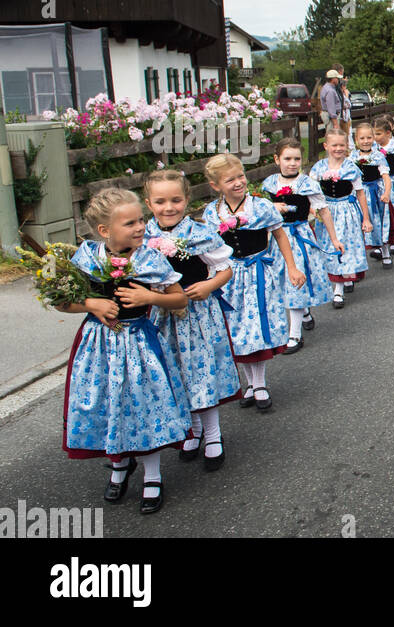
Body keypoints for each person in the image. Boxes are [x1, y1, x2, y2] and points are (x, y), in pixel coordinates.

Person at [59, 188, 191, 514]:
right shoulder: (87, 257)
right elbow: (61, 301)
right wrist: (90, 303)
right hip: (98, 347)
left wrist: (151, 299)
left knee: (145, 406)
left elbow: (180, 299)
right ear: (105, 231)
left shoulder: (149, 258)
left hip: (139, 343)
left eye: (141, 220)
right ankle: (120, 463)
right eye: (130, 222)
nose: (140, 227)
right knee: (110, 405)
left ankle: (152, 474)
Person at [142, 171, 241, 470]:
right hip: (161, 314)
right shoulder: (143, 236)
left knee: (200, 373)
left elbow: (226, 268)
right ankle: (193, 428)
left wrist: (209, 286)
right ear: (149, 203)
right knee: (176, 373)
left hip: (197, 314)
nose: (168, 207)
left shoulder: (200, 234)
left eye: (176, 200)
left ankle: (212, 433)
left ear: (187, 200)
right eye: (160, 201)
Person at [203, 154, 306, 411]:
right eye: (230, 179)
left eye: (240, 176)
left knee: (255, 330)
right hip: (228, 277)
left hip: (257, 273)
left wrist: (292, 267)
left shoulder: (260, 207)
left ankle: (259, 384)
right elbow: (209, 247)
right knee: (237, 331)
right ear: (216, 185)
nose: (239, 182)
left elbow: (280, 236)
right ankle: (250, 384)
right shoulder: (212, 212)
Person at [264, 138, 340, 353]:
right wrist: (272, 206)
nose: (292, 163)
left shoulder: (307, 184)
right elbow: (261, 211)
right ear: (277, 159)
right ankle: (304, 313)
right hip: (277, 238)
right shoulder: (270, 183)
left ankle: (294, 335)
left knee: (294, 279)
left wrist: (334, 239)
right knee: (281, 280)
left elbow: (323, 210)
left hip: (298, 236)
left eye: (297, 159)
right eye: (287, 158)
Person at [310, 129, 371, 308]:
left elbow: (360, 194)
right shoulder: (318, 168)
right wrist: (313, 208)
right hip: (326, 211)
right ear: (326, 146)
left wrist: (365, 219)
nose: (338, 149)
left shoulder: (351, 167)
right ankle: (340, 279)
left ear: (347, 146)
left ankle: (338, 288)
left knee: (345, 244)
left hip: (346, 210)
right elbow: (311, 191)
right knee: (329, 245)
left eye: (341, 145)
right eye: (334, 145)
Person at [351, 123, 394, 269]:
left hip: (375, 192)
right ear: (356, 139)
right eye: (362, 138)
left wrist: (386, 192)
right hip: (358, 194)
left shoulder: (378, 156)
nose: (366, 141)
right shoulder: (352, 157)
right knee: (359, 223)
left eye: (369, 137)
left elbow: (386, 176)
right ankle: (359, 256)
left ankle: (385, 250)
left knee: (379, 222)